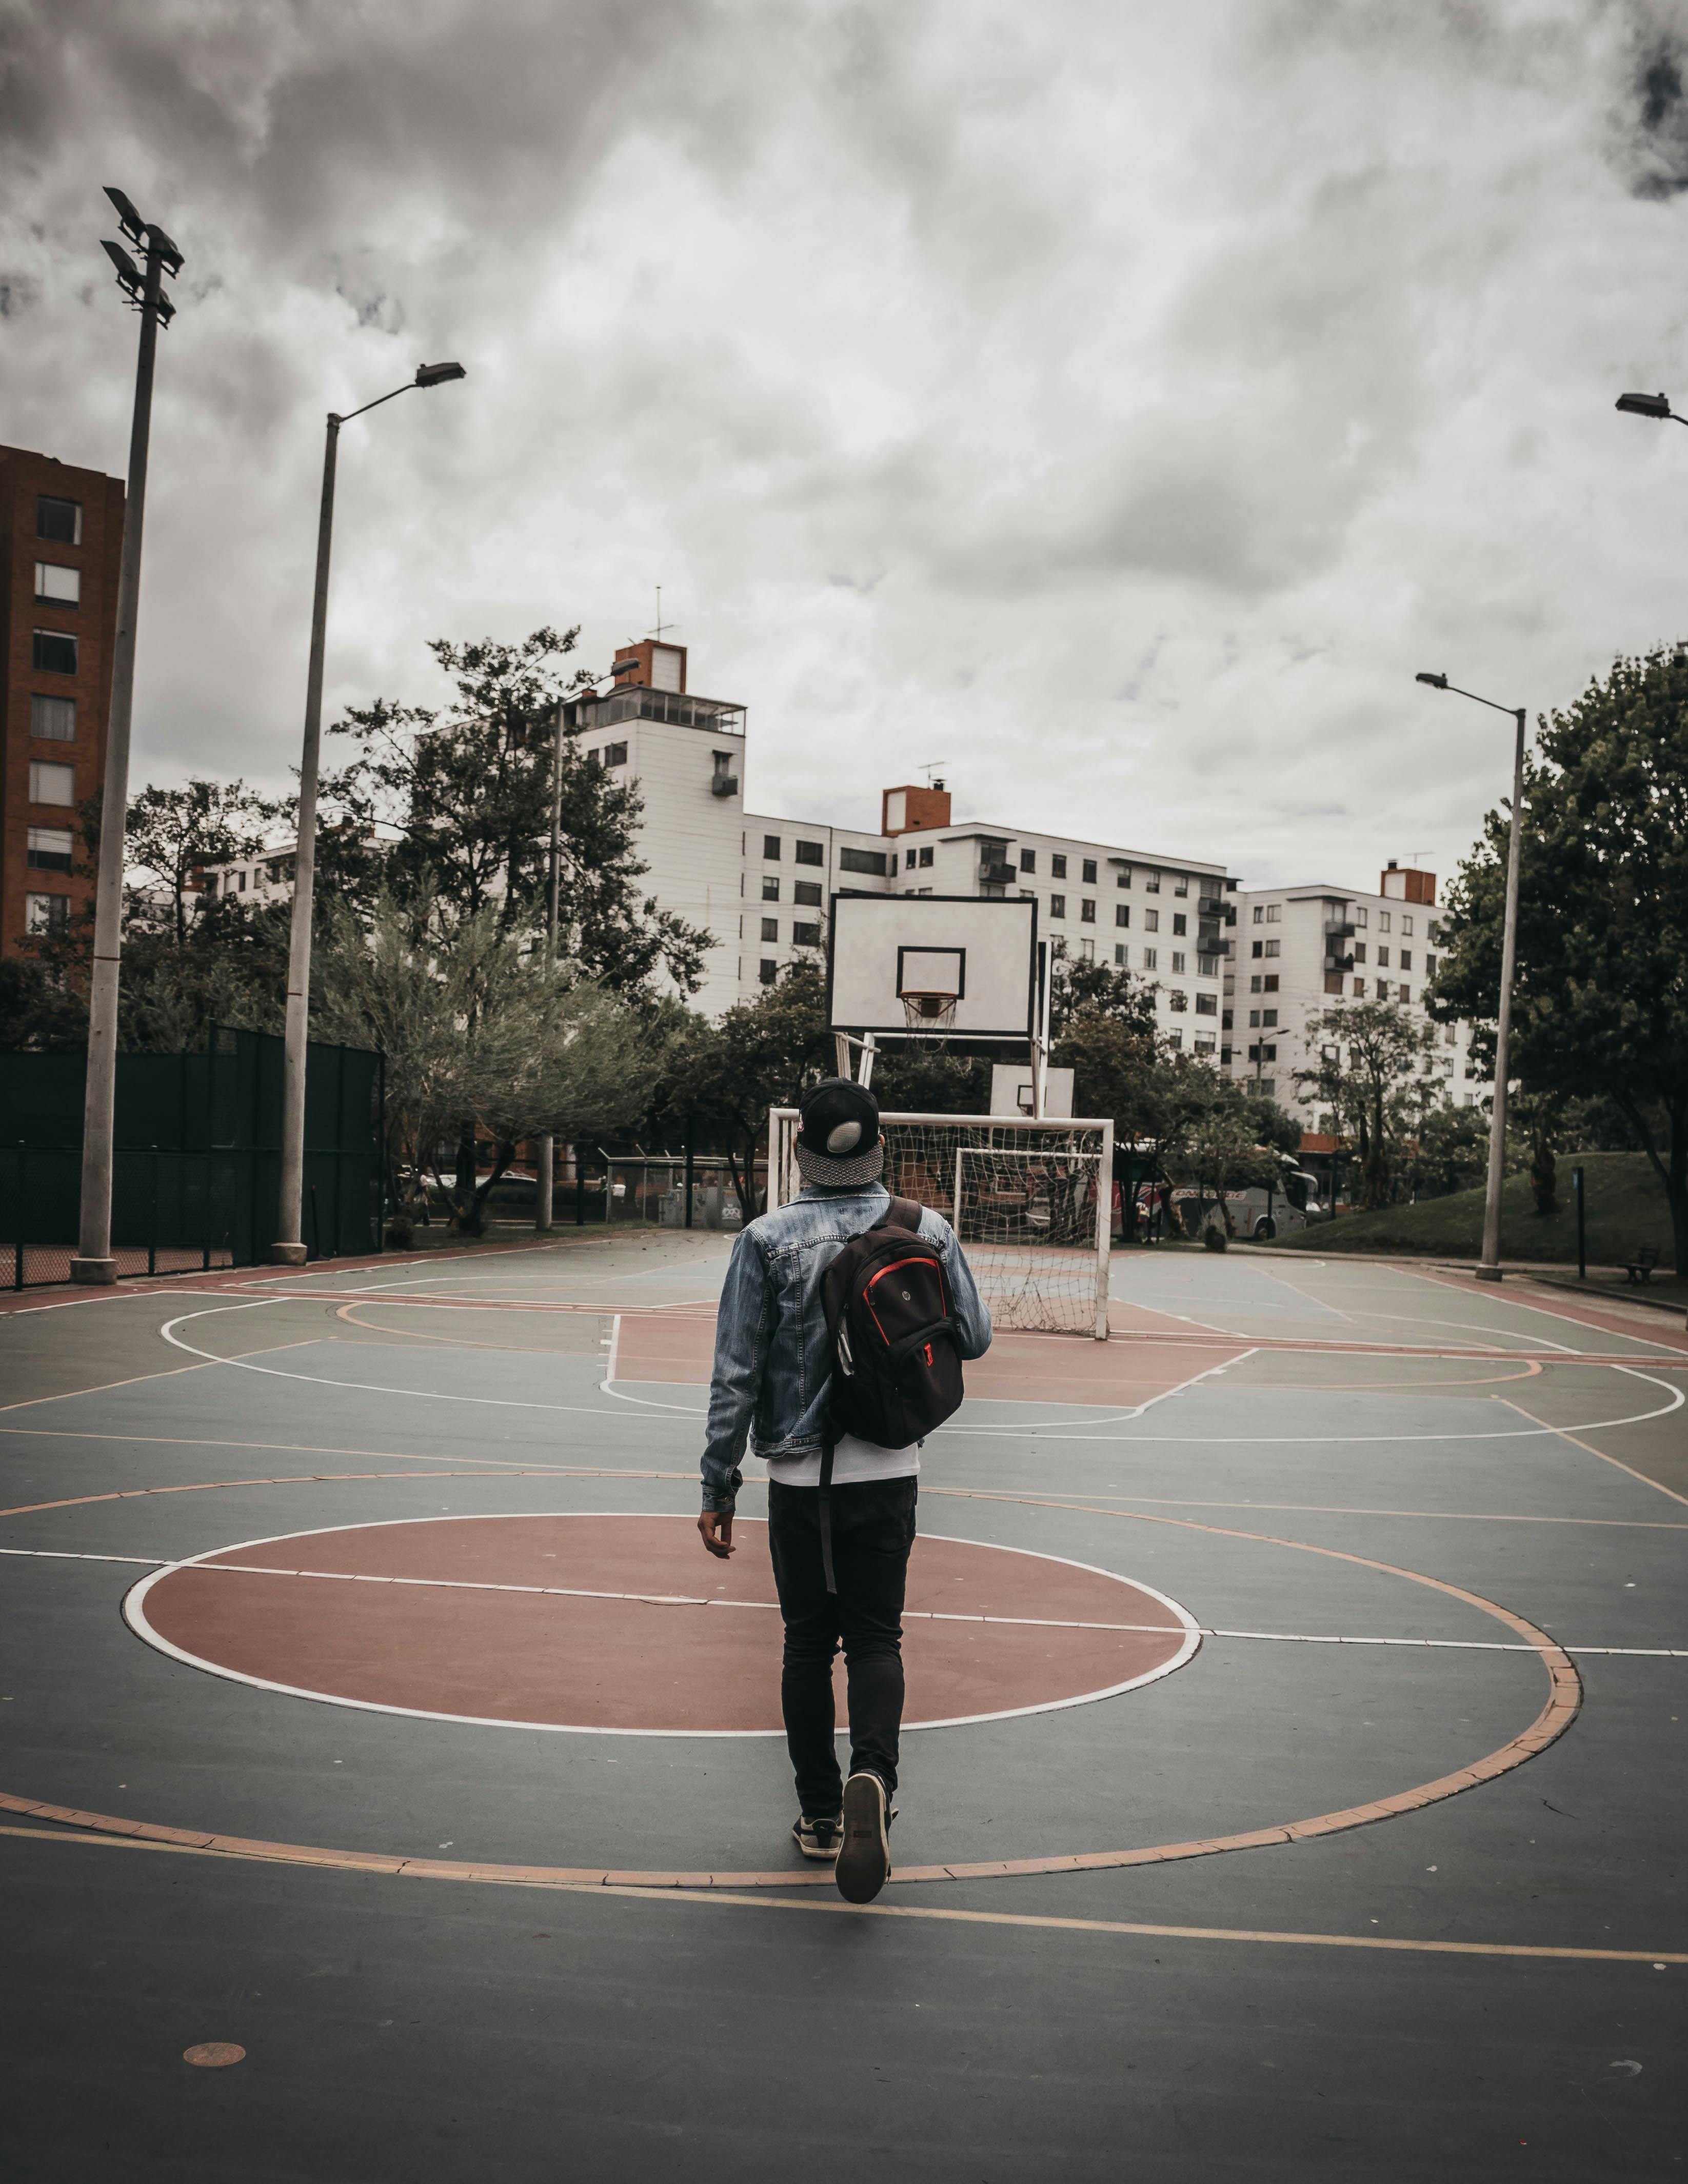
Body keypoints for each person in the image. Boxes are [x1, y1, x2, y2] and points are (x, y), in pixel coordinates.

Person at [696, 1077, 992, 1902]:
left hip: (796, 1477)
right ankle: (876, 1779)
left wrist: (719, 1481)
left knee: (804, 1645)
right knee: (875, 1639)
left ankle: (822, 1816)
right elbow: (974, 1335)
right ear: (880, 1152)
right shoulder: (924, 1229)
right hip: (888, 1469)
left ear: (801, 1154)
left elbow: (736, 1372)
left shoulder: (765, 1238)